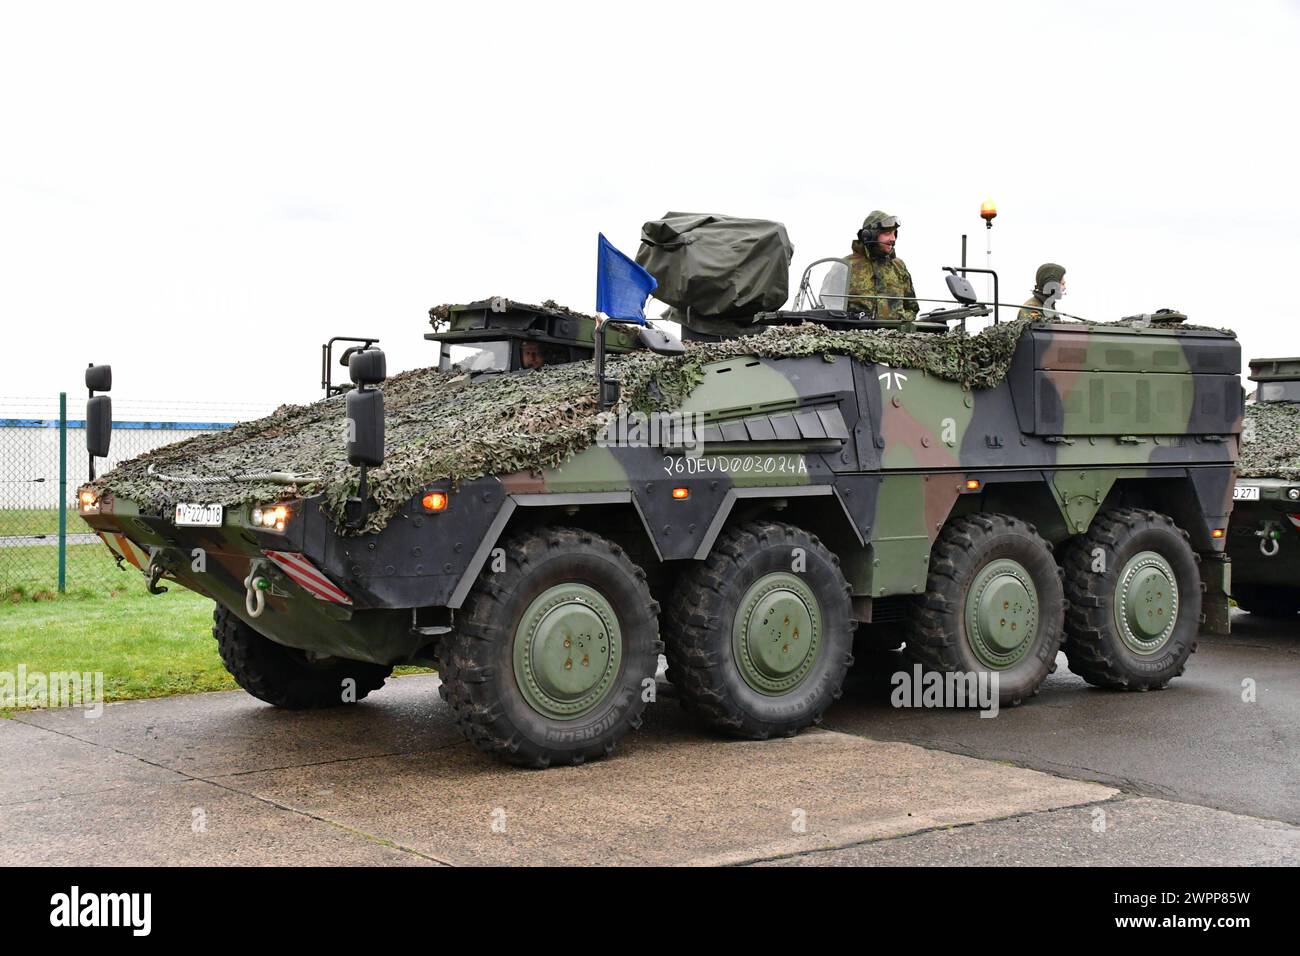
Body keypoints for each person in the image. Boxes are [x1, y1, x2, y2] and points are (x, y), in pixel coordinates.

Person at [842, 210, 919, 321]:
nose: (893, 239)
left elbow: (912, 308)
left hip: (894, 336)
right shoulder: (846, 266)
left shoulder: (899, 266)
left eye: (894, 233)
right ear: (869, 235)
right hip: (856, 335)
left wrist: (900, 320)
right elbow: (829, 307)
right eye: (887, 233)